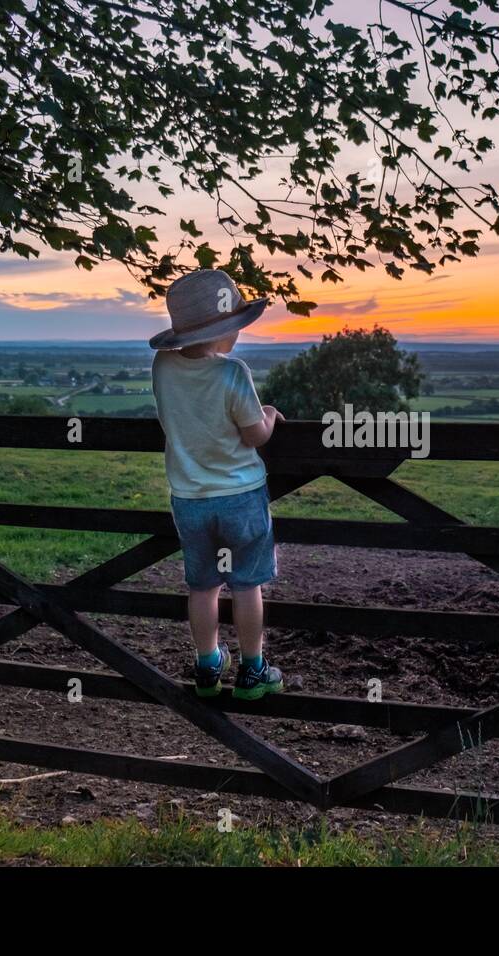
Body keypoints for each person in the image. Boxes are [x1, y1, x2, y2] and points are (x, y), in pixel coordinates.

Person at [148, 269, 286, 700]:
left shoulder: (163, 365)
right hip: (240, 495)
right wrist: (268, 415)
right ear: (225, 331)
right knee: (247, 584)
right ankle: (252, 669)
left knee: (203, 585)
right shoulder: (233, 373)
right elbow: (253, 436)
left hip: (189, 498)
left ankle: (207, 665)